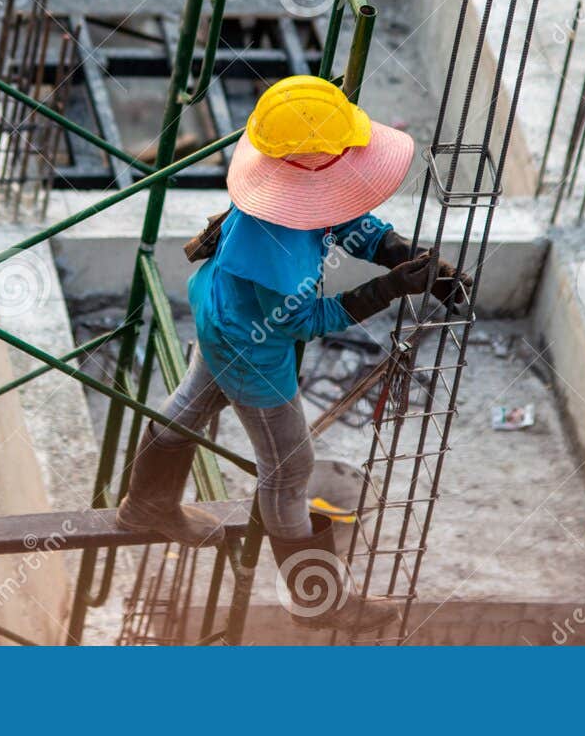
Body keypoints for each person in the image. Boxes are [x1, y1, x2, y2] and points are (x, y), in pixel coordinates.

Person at [116, 76, 467, 632]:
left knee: (193, 399)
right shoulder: (273, 249)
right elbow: (307, 321)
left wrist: (397, 253)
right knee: (289, 470)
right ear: (313, 164)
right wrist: (390, 288)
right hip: (252, 343)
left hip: (220, 307)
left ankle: (146, 505)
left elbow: (342, 213)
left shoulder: (285, 174)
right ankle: (319, 602)